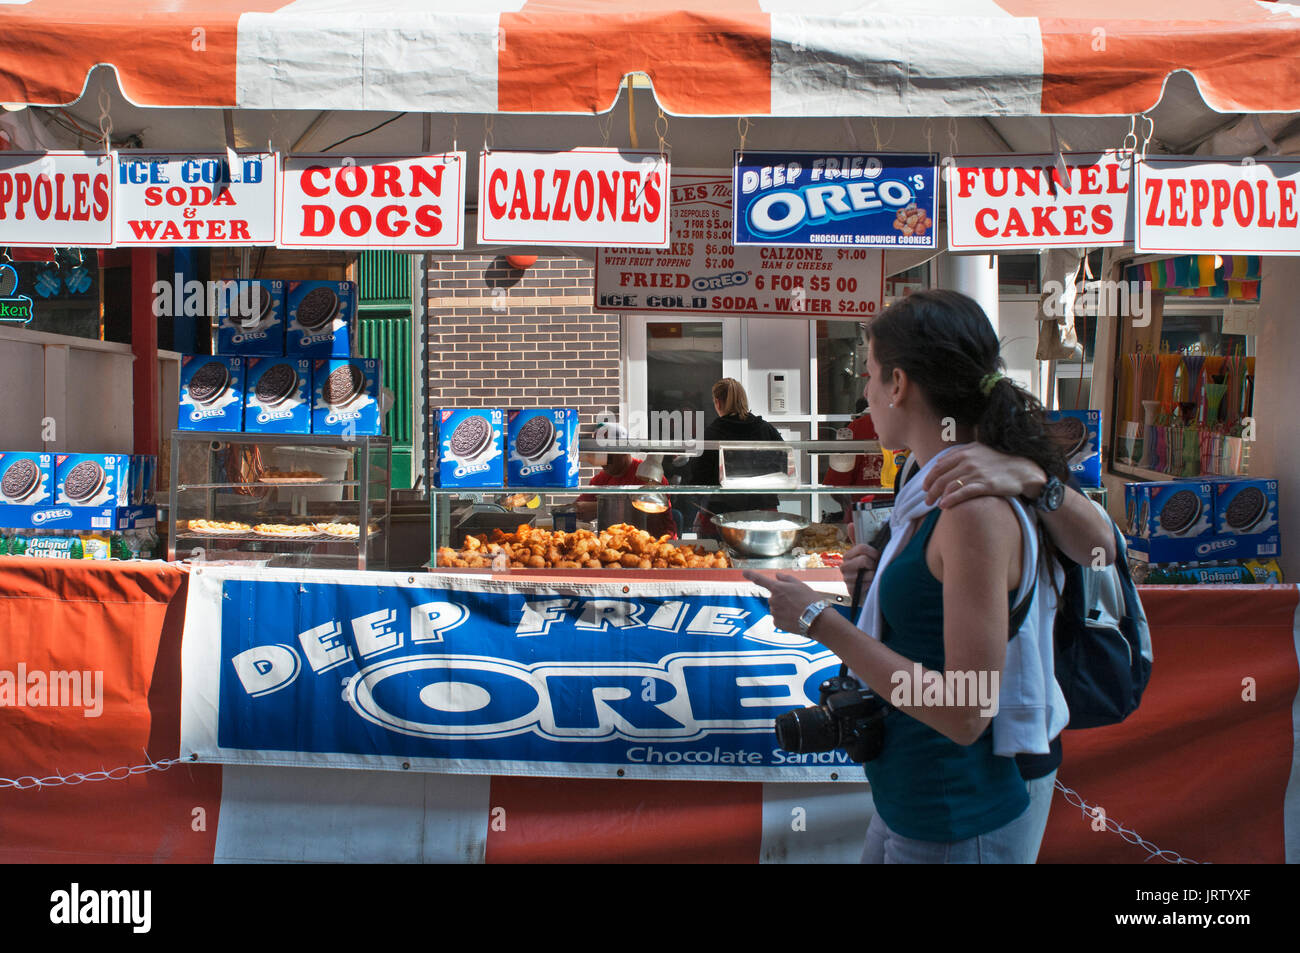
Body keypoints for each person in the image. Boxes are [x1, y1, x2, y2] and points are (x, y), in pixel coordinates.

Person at [744, 289, 1113, 864]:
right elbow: (930, 625)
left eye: (867, 375)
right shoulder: (929, 476)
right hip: (913, 797)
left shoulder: (972, 503)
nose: (864, 393)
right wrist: (878, 588)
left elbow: (964, 711)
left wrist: (820, 621)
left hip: (957, 808)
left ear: (898, 383)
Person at [689, 378, 786, 535]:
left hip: (720, 516)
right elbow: (784, 469)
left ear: (718, 403)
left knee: (719, 559)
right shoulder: (766, 429)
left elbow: (698, 479)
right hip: (763, 515)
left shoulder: (710, 434)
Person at [574, 422, 676, 537]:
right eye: (600, 455)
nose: (604, 462)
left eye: (609, 456)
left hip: (659, 541)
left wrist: (599, 507)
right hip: (616, 547)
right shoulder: (600, 480)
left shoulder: (649, 476)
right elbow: (578, 509)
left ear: (624, 450)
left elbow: (644, 511)